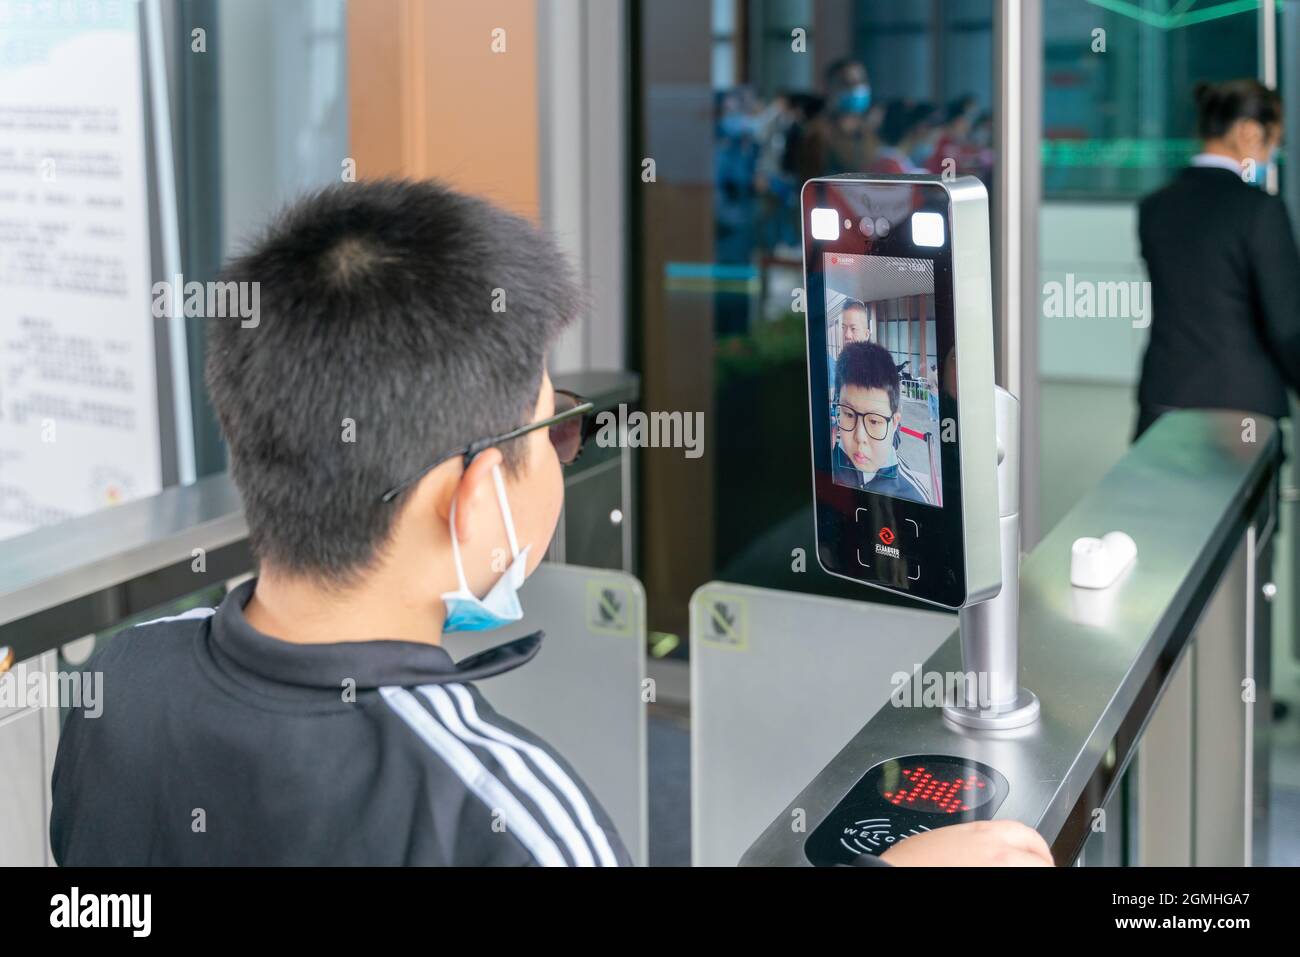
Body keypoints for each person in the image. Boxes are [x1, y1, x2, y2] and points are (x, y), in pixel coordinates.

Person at [50, 180, 1050, 868]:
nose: (565, 458)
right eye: (551, 432)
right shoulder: (505, 810)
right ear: (474, 497)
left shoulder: (120, 671)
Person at [1135, 78, 1300, 439]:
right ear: (1248, 132)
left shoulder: (1154, 207)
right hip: (1241, 415)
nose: (1272, 154)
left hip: (1165, 399)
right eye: (1274, 141)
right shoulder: (1260, 210)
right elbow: (1286, 325)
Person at [832, 341, 931, 504]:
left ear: (894, 423)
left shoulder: (913, 497)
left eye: (874, 421)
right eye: (849, 414)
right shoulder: (823, 466)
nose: (860, 437)